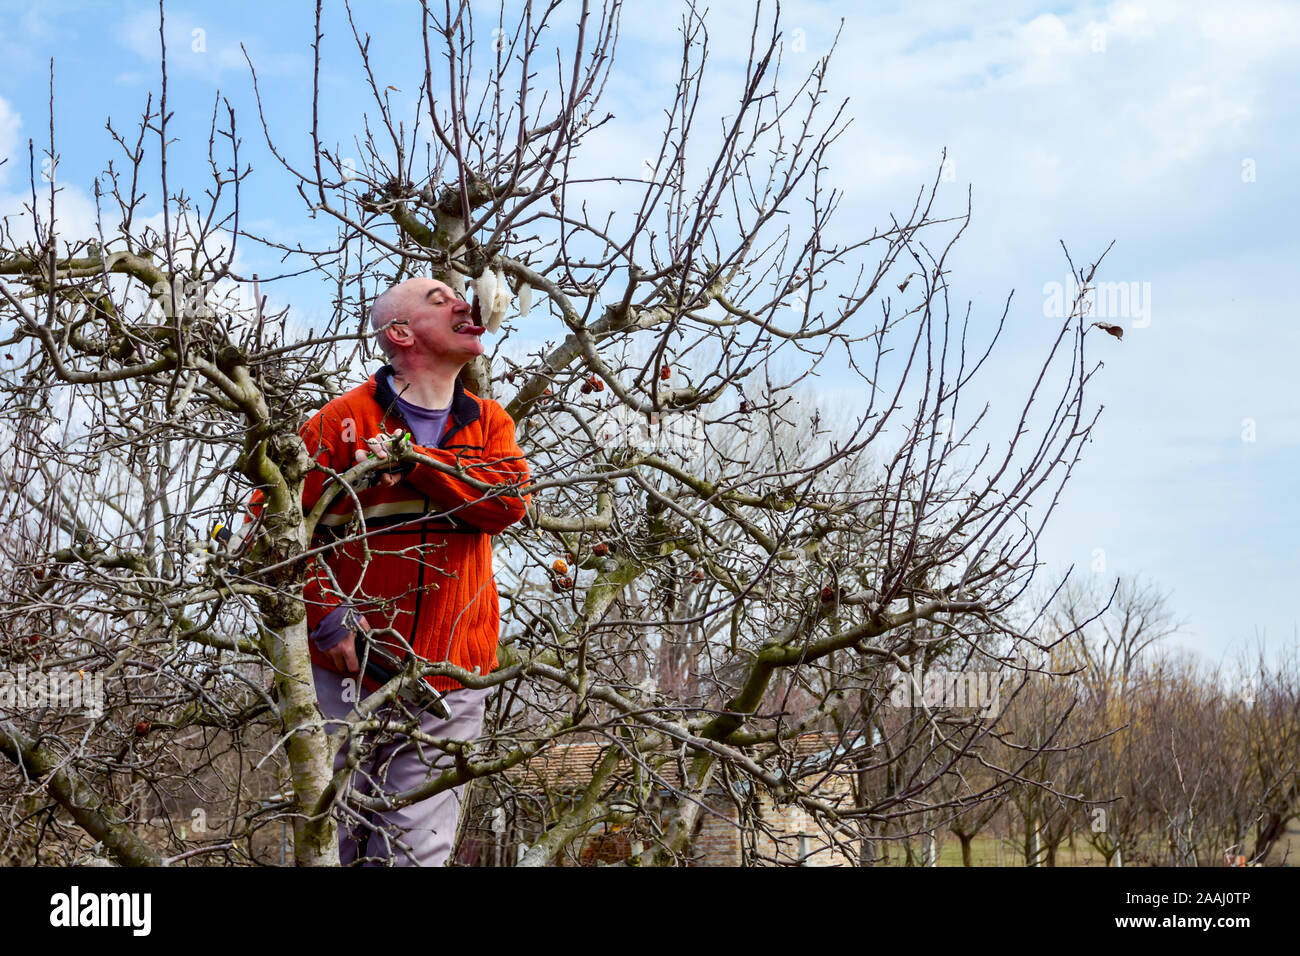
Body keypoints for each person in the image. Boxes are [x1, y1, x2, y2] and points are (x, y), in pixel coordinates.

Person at [295, 275, 531, 865]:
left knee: (414, 854)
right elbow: (277, 536)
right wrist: (327, 617)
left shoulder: (489, 423)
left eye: (459, 294)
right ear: (401, 333)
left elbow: (506, 503)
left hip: (449, 680)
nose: (462, 300)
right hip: (345, 674)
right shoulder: (339, 422)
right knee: (331, 844)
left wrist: (415, 461)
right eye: (438, 298)